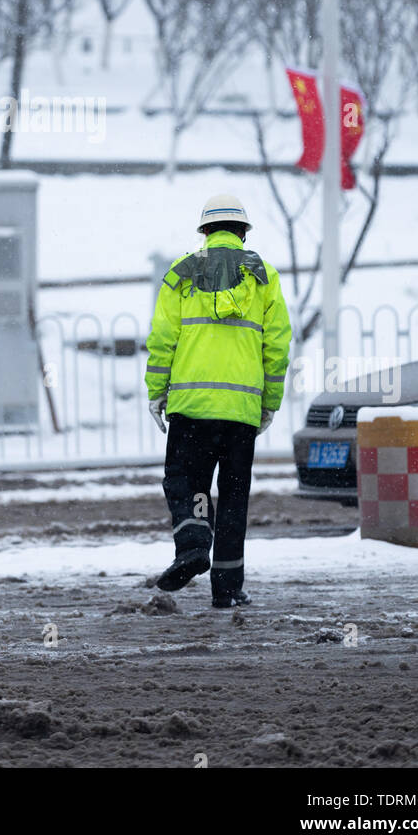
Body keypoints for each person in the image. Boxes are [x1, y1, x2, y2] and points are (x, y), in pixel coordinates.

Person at [145, 193, 291, 608]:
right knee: (233, 497)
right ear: (242, 232)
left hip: (191, 408)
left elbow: (162, 339)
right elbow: (277, 345)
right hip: (241, 412)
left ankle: (193, 543)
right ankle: (228, 589)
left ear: (205, 232)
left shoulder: (181, 274)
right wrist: (270, 401)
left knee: (187, 482)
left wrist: (156, 391)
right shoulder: (265, 277)